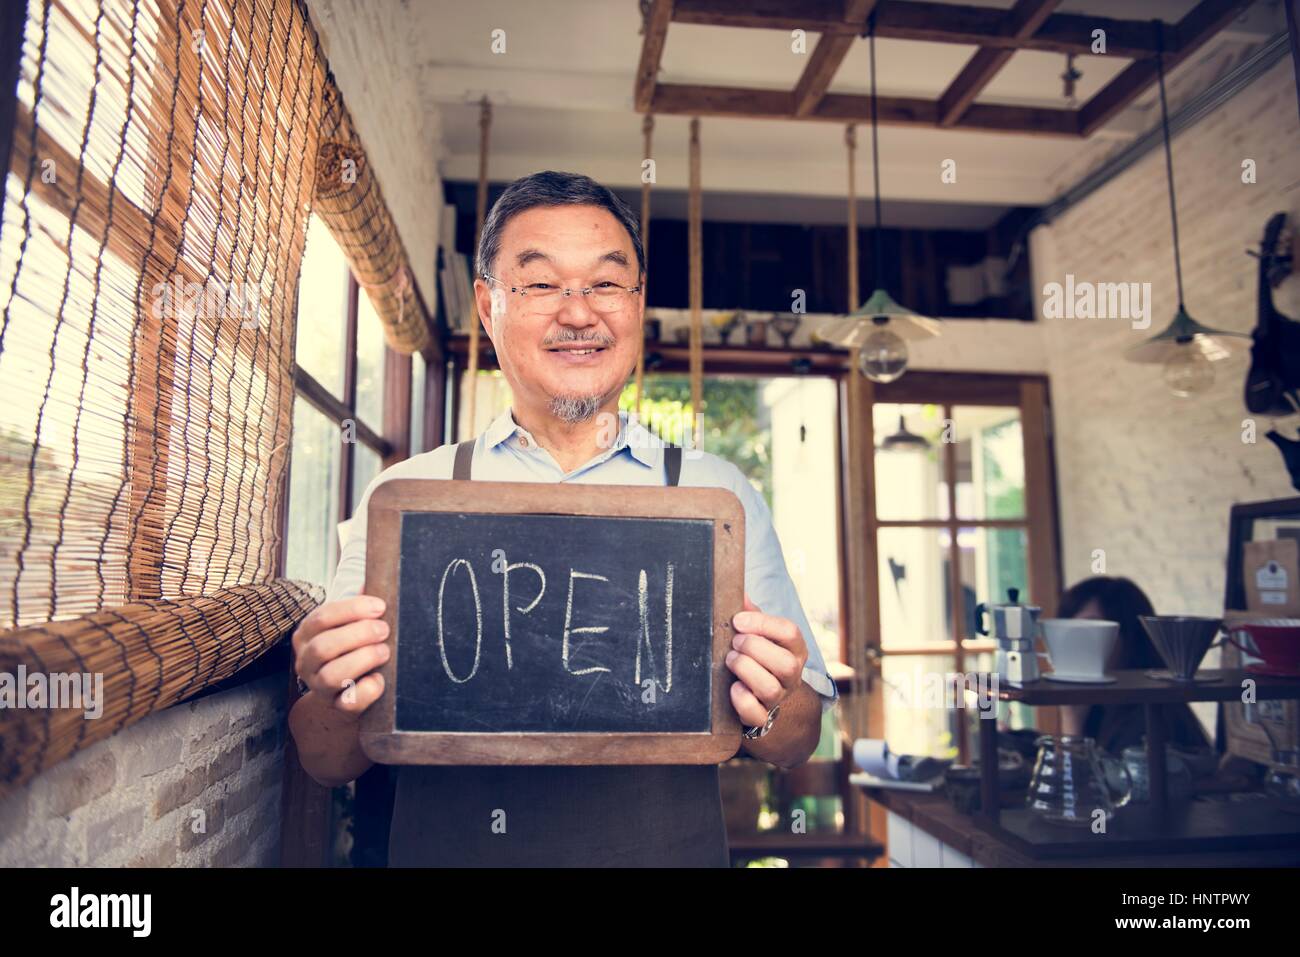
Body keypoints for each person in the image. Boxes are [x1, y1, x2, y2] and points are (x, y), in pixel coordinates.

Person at [287, 170, 838, 866]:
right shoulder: (411, 496)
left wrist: (772, 698)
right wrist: (338, 688)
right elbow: (324, 759)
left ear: (637, 304)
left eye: (607, 283)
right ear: (488, 306)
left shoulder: (714, 495)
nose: (579, 313)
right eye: (542, 284)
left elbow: (797, 739)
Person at [1057, 576, 1211, 755]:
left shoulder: (1149, 717)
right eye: (1068, 630)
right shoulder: (1097, 705)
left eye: (1089, 628)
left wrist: (1072, 723)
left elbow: (1079, 782)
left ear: (1129, 634)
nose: (1074, 642)